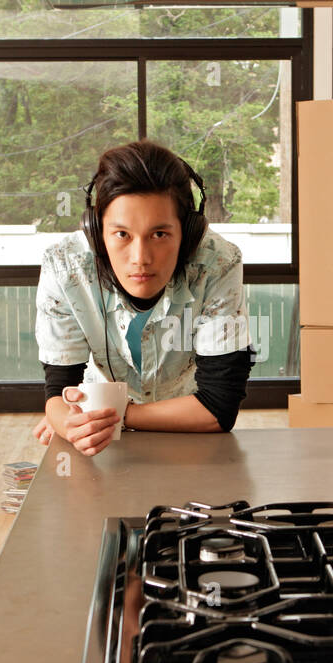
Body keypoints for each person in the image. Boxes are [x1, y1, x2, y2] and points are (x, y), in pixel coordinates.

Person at [32, 139, 255, 456]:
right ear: (97, 232)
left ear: (187, 233)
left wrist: (114, 415)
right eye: (122, 234)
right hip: (101, 435)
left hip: (190, 436)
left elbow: (219, 408)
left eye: (159, 234)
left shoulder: (219, 262)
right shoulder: (64, 266)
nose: (140, 258)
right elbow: (57, 393)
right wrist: (70, 425)